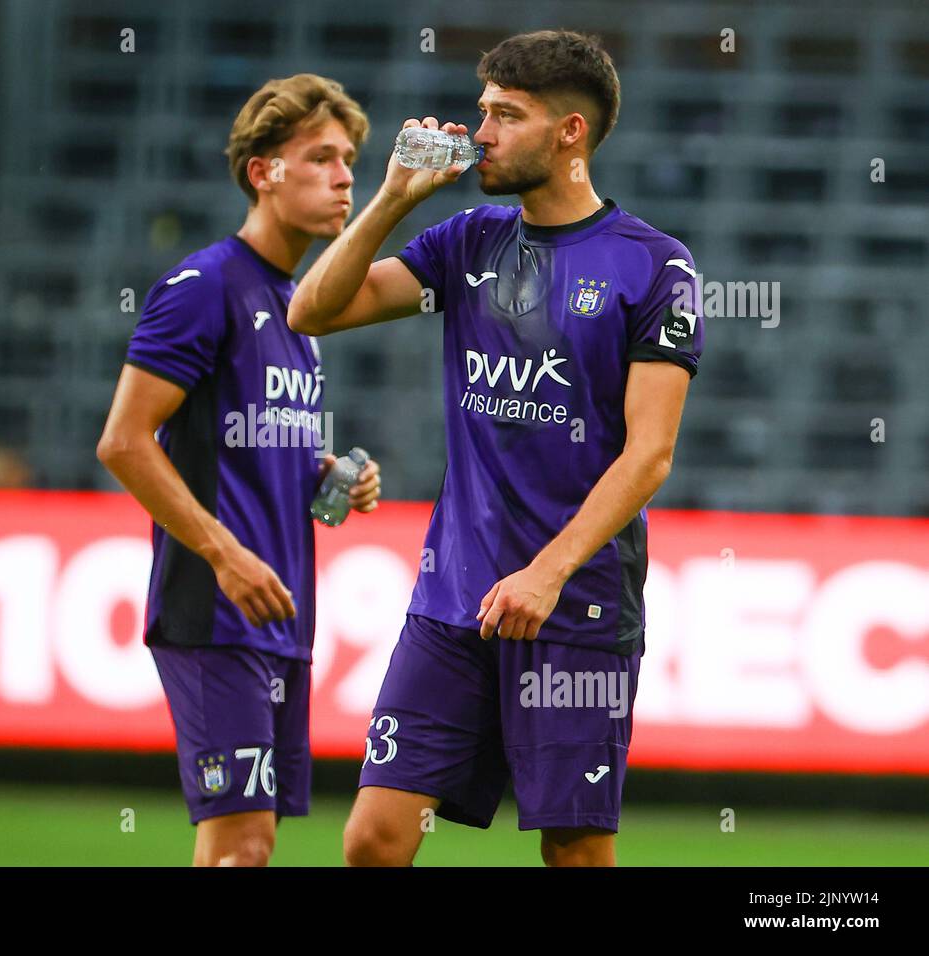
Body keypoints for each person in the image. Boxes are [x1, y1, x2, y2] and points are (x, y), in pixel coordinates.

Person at [288, 30, 704, 867]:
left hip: (577, 607)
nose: (480, 133)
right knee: (373, 836)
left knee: (575, 852)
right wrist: (394, 198)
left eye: (505, 116)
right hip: (452, 600)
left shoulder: (656, 269)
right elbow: (313, 312)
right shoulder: (470, 239)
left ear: (570, 133)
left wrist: (546, 572)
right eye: (482, 111)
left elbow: (649, 455)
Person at [97, 74, 383, 866]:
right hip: (216, 610)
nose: (344, 176)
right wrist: (223, 553)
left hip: (282, 615)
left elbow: (250, 438)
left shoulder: (300, 308)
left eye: (350, 159)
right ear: (263, 172)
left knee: (252, 844)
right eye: (321, 157)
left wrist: (327, 472)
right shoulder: (204, 286)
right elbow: (123, 441)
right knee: (241, 848)